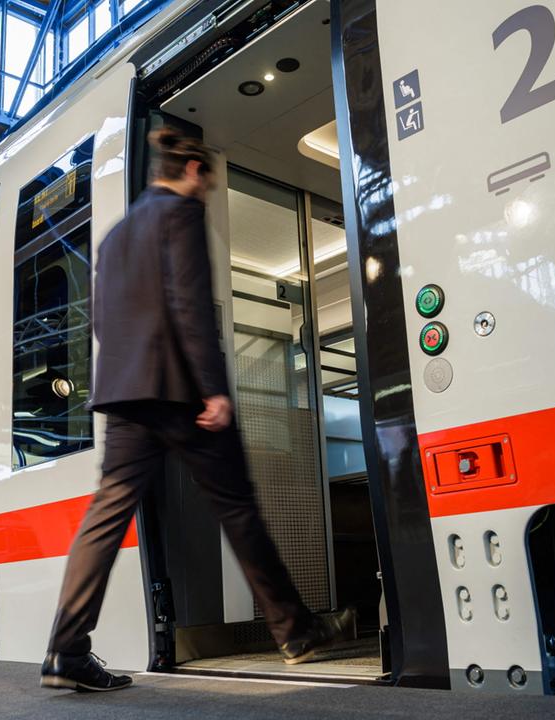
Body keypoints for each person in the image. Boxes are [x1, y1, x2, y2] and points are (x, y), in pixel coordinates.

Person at [40, 128, 353, 692]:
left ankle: (65, 651)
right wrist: (213, 388)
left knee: (106, 516)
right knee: (237, 507)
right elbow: (189, 304)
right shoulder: (179, 215)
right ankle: (295, 630)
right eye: (207, 181)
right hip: (181, 392)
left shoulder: (113, 237)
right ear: (191, 171)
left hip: (125, 393)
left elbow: (101, 322)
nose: (207, 192)